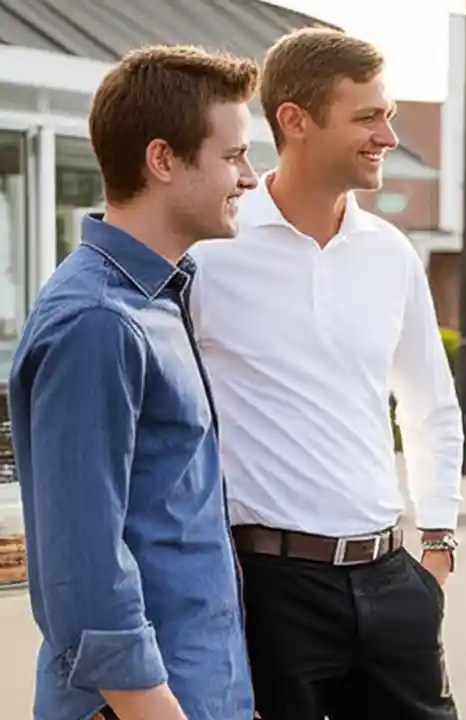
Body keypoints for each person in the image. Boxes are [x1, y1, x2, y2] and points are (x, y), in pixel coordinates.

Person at [186, 28, 463, 720]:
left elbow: (430, 404)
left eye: (388, 114)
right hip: (270, 591)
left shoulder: (391, 253)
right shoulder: (212, 248)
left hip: (392, 580)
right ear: (295, 121)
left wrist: (437, 549)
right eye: (368, 116)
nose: (388, 136)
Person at [7, 46, 259, 720]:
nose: (252, 178)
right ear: (163, 160)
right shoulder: (98, 322)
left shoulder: (162, 297)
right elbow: (84, 567)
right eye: (234, 156)